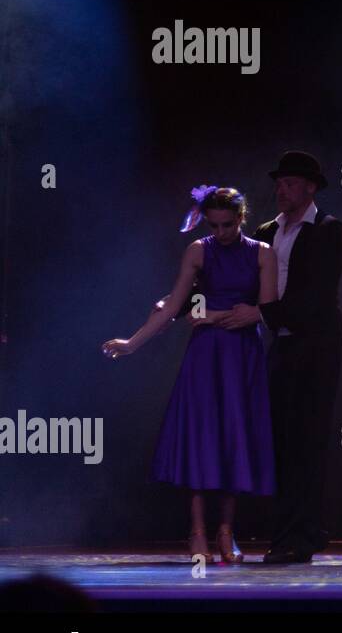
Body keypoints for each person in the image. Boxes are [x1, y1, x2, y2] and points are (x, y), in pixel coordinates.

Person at [101, 185, 277, 563]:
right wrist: (132, 343)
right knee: (202, 438)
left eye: (228, 225)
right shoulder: (199, 249)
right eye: (214, 225)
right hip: (207, 352)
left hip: (243, 353)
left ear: (241, 218)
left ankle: (226, 531)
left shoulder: (263, 253)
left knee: (235, 437)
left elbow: (269, 307)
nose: (221, 232)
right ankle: (196, 531)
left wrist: (245, 315)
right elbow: (175, 305)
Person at [222, 151, 342, 565]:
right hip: (283, 346)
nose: (281, 189)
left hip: (315, 347)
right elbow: (247, 283)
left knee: (307, 440)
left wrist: (261, 313)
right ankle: (289, 533)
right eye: (278, 183)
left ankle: (303, 534)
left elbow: (315, 297)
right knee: (280, 441)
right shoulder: (265, 231)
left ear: (310, 187)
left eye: (290, 183)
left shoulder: (328, 231)